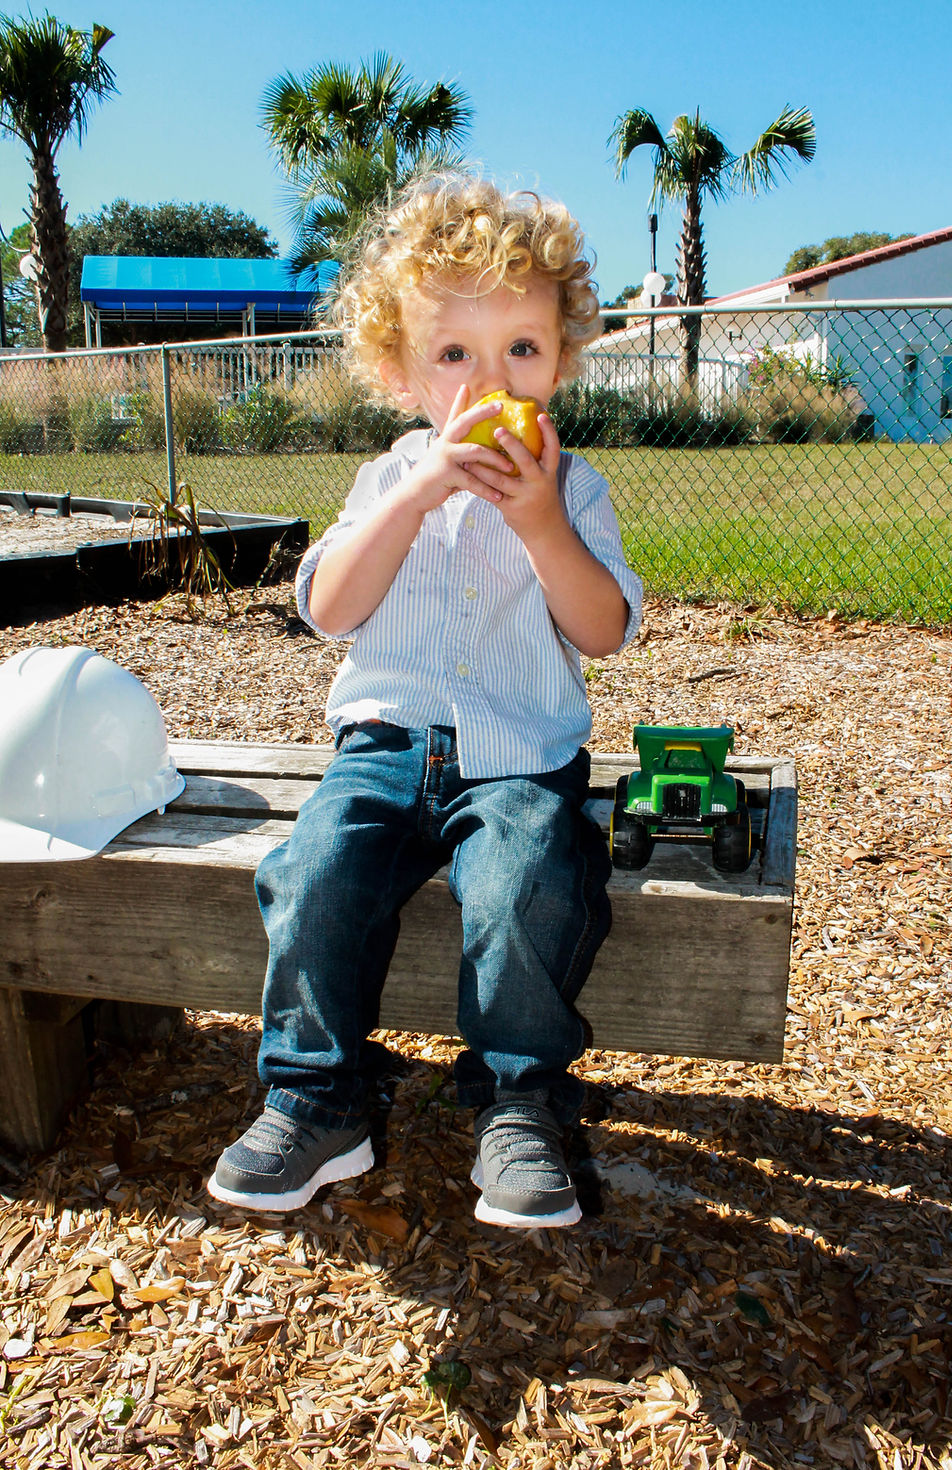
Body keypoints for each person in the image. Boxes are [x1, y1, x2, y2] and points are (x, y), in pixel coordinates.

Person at [208, 173, 642, 1229]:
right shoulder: (382, 480)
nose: (487, 381)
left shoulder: (570, 485)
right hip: (384, 749)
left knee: (524, 881)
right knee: (312, 874)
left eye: (519, 352)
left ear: (559, 362)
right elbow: (331, 609)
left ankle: (518, 1104)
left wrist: (541, 522)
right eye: (454, 356)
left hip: (519, 758)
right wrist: (414, 494)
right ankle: (316, 1099)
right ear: (401, 374)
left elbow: (601, 629)